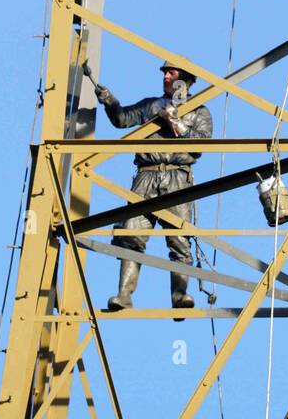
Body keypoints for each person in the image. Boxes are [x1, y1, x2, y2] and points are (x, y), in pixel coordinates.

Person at [83, 60, 213, 319]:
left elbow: (200, 145)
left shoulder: (199, 110)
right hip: (146, 176)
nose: (165, 76)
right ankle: (124, 295)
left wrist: (176, 121)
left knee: (179, 239)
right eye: (164, 72)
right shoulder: (150, 105)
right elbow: (122, 119)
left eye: (171, 72)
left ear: (183, 78)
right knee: (130, 235)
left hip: (178, 178)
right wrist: (109, 100)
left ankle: (180, 297)